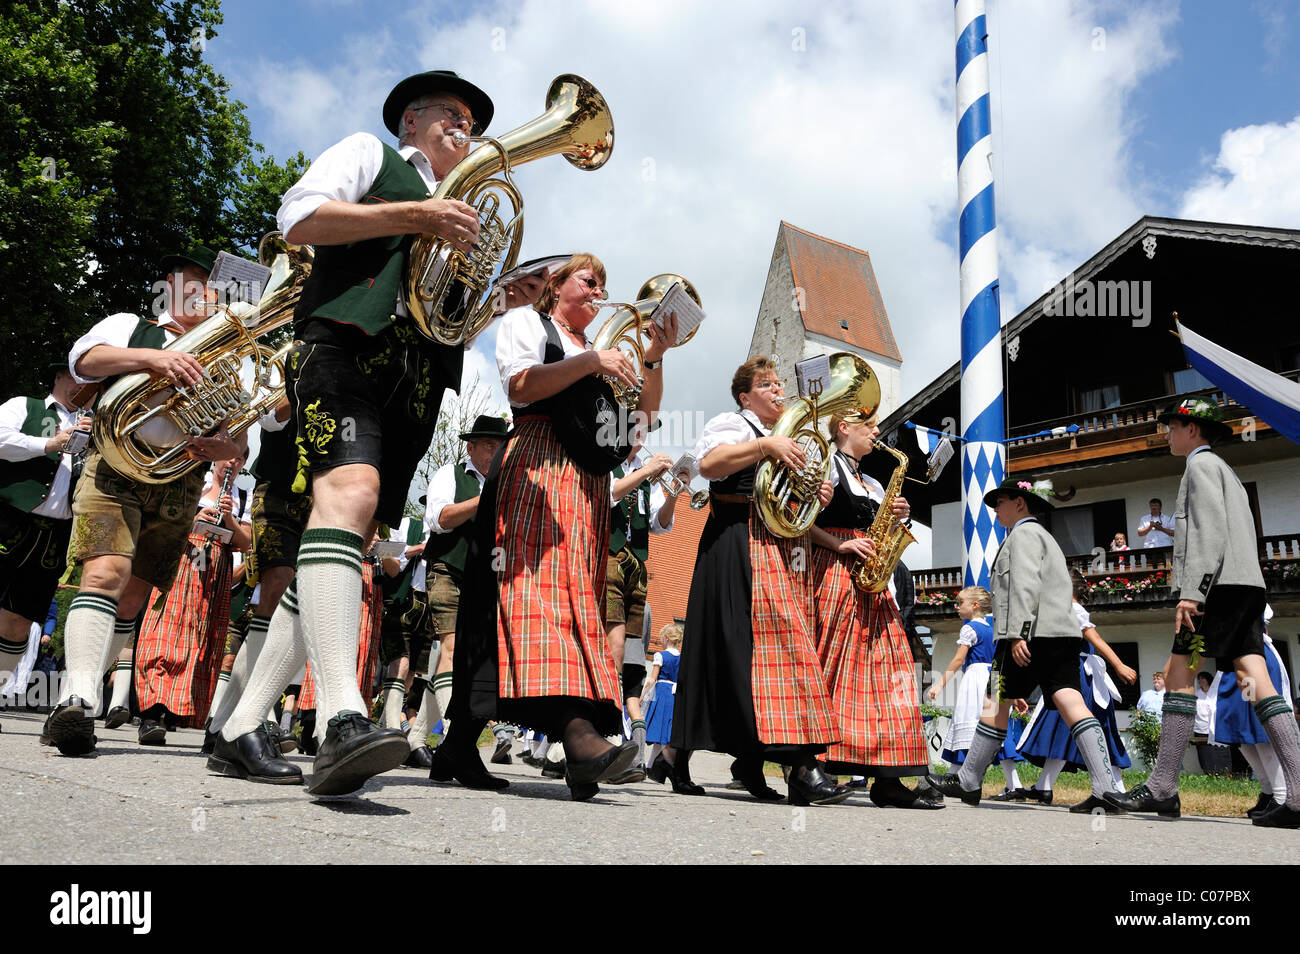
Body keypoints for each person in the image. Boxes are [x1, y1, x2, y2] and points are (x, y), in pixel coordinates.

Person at [206, 70, 547, 796]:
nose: (465, 129)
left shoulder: (464, 208)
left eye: (471, 121)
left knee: (347, 538)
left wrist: (493, 304)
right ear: (412, 121)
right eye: (451, 116)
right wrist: (417, 216)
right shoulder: (371, 155)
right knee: (350, 496)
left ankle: (241, 726)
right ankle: (341, 719)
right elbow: (300, 218)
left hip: (416, 379)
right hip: (342, 346)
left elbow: (439, 315)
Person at [440, 253, 674, 801]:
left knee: (570, 606)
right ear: (555, 286)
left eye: (602, 284)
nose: (598, 291)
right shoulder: (529, 322)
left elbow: (638, 426)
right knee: (535, 602)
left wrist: (654, 358)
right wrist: (592, 361)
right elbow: (521, 385)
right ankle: (579, 739)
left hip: (586, 489)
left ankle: (458, 747)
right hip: (536, 472)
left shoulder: (599, 353)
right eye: (589, 280)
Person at [44, 247, 242, 756]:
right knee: (105, 573)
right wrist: (153, 357)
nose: (211, 295)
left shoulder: (224, 356)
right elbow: (83, 361)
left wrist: (224, 448)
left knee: (134, 596)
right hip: (113, 465)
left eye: (216, 288)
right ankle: (78, 697)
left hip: (178, 480)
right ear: (171, 287)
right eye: (199, 284)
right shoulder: (132, 324)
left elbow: (236, 438)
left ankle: (76, 693)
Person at [1105, 398, 1300, 827]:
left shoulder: (1199, 465)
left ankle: (1161, 789)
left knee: (1179, 677)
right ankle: (1298, 795)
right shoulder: (1226, 470)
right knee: (1258, 681)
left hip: (1216, 590)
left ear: (1192, 430)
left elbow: (1208, 530)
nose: (1168, 434)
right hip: (1244, 586)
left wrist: (1193, 592)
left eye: (1172, 426)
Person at [669, 355, 848, 806]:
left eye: (778, 385)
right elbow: (710, 466)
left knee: (766, 651)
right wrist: (768, 448)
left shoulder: (785, 436)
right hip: (734, 541)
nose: (777, 391)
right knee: (740, 649)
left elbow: (792, 504)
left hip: (775, 548)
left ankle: (754, 760)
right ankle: (795, 768)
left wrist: (817, 493)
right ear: (745, 396)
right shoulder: (734, 423)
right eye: (766, 385)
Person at [928, 479, 1124, 814]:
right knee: (1069, 699)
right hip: (1061, 635)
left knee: (994, 699)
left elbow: (1024, 584)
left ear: (1019, 503)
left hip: (1027, 634)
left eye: (999, 502)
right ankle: (1106, 789)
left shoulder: (1022, 535)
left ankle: (969, 779)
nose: (995, 509)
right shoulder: (1045, 537)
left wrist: (1018, 632)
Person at [809, 409, 939, 809]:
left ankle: (890, 778)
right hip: (835, 573)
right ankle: (818, 767)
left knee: (890, 671)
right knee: (835, 665)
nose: (878, 432)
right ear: (844, 428)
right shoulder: (825, 466)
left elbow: (884, 529)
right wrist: (840, 544)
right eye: (870, 426)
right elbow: (797, 521)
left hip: (874, 580)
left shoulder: (874, 481)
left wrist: (900, 516)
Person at [130, 454, 251, 744]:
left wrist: (230, 519)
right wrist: (193, 519)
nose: (231, 461)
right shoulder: (195, 486)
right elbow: (160, 522)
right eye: (228, 455)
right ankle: (150, 714)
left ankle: (175, 712)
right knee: (162, 631)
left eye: (239, 456)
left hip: (215, 566)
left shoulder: (243, 498)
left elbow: (247, 543)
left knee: (200, 640)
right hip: (182, 558)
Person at [0, 362, 90, 723]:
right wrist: (50, 443)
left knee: (22, 619)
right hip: (9, 516)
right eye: (77, 376)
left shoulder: (98, 423)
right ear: (58, 376)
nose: (84, 385)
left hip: (55, 533)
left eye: (91, 382)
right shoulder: (25, 406)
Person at [420, 414, 507, 776]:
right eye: (489, 444)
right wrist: (485, 499)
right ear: (470, 447)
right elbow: (439, 518)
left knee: (471, 661)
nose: (496, 450)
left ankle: (422, 740)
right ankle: (458, 745)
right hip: (448, 567)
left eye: (500, 445)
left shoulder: (507, 483)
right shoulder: (449, 473)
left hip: (486, 578)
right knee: (453, 650)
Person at [1016, 569, 1136, 804]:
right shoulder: (1062, 610)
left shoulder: (1074, 610)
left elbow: (1096, 640)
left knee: (1088, 727)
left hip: (1078, 675)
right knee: (1066, 729)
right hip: (1073, 673)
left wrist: (1119, 665)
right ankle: (1043, 786)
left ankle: (1117, 788)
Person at [606, 445, 680, 778]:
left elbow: (659, 525)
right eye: (636, 427)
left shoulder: (646, 477)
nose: (641, 436)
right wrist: (647, 472)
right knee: (613, 652)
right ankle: (597, 742)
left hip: (637, 567)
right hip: (608, 558)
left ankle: (622, 750)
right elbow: (609, 494)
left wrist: (674, 493)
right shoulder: (608, 460)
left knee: (632, 661)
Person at [928, 586, 1022, 799]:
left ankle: (953, 779)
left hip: (977, 678)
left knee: (969, 724)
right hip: (996, 677)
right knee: (995, 726)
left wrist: (940, 684)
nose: (957, 607)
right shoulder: (994, 628)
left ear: (975, 605)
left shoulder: (970, 628)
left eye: (960, 603)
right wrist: (1014, 695)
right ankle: (1013, 783)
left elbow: (959, 659)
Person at [1209, 605, 1292, 817]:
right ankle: (1268, 790)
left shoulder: (1244, 586)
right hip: (1233, 660)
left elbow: (1260, 623)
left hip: (1254, 657)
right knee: (1240, 727)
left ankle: (1281, 795)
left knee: (1260, 726)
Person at [643, 623, 683, 779]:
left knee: (658, 732)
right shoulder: (681, 657)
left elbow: (652, 678)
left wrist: (641, 695)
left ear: (666, 638)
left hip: (661, 693)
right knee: (665, 733)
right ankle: (650, 766)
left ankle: (650, 766)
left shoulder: (660, 655)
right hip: (675, 695)